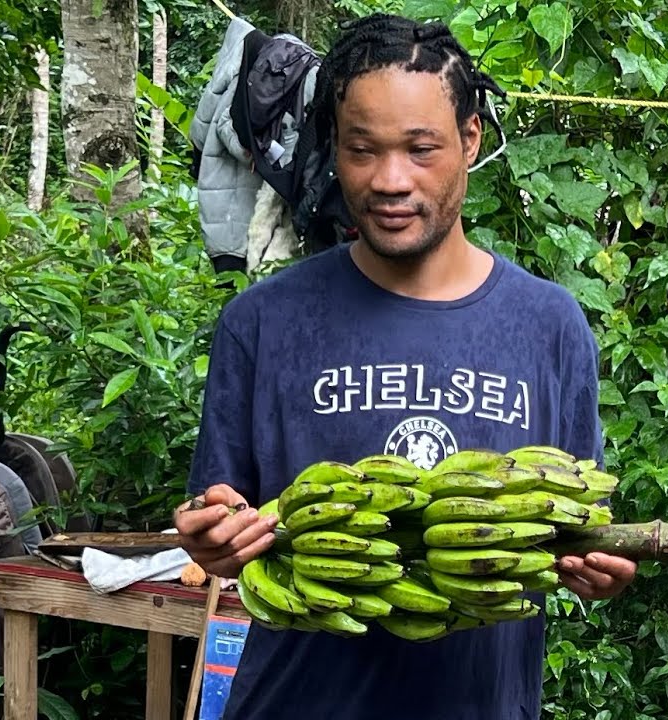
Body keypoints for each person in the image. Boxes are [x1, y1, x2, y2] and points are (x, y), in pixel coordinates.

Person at [174, 13, 637, 720]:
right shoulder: (261, 323)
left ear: (470, 139)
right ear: (334, 148)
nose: (390, 180)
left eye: (421, 149)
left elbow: (579, 519)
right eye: (363, 149)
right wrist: (214, 539)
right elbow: (219, 517)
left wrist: (595, 567)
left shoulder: (549, 327)